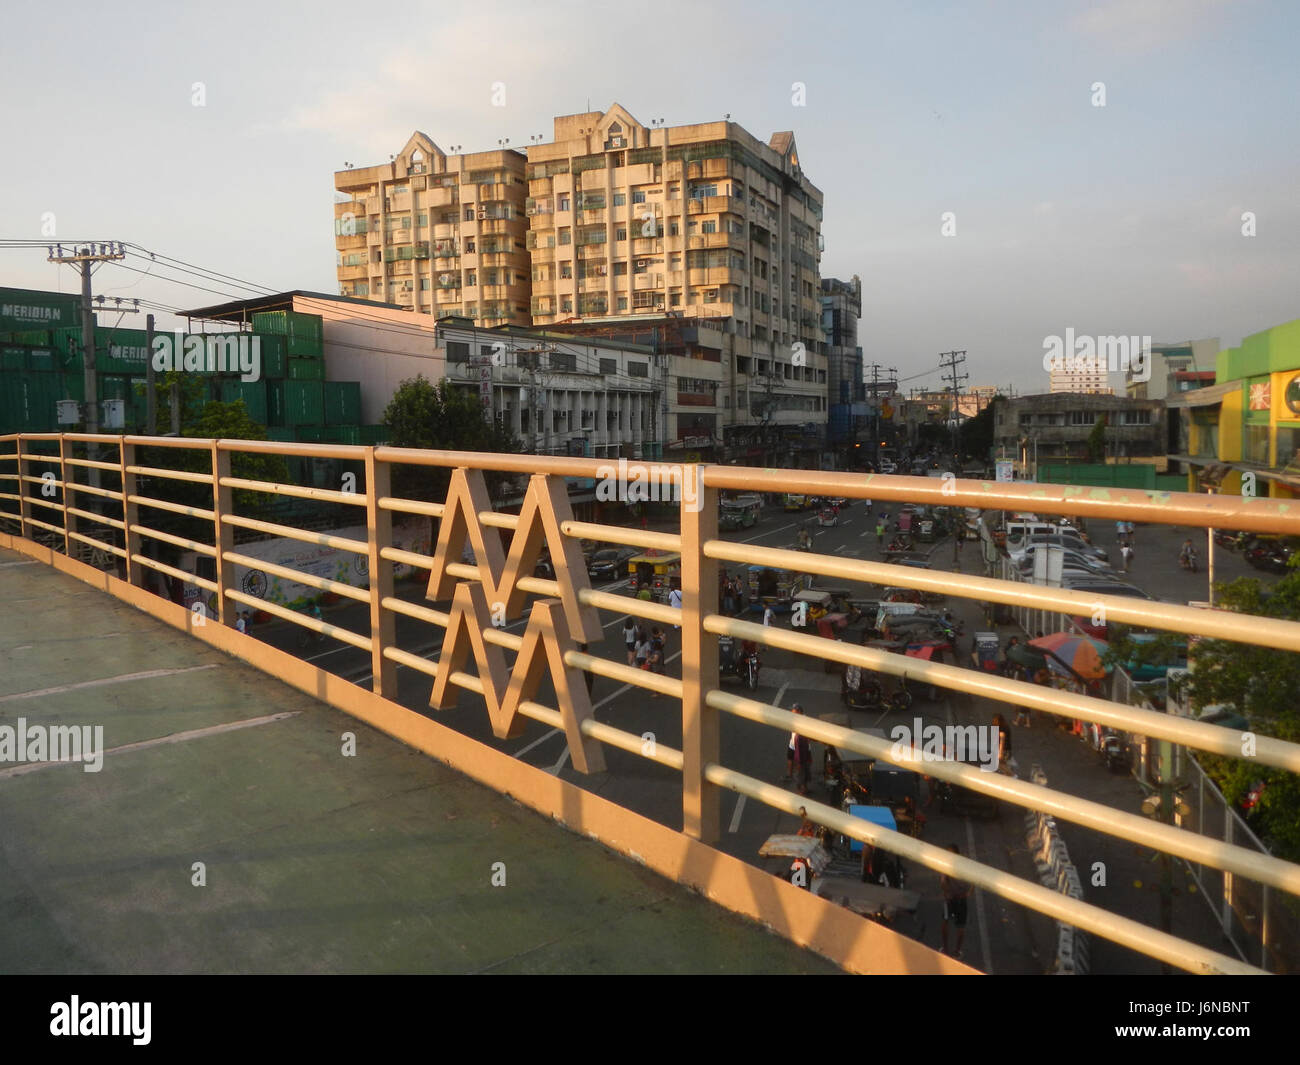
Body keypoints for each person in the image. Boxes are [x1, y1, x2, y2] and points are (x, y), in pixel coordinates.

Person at [941, 844, 974, 959]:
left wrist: (946, 893)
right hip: (961, 899)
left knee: (946, 921)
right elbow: (973, 879)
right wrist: (969, 892)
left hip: (950, 899)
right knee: (960, 926)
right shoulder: (965, 865)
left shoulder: (946, 865)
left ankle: (945, 948)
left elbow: (943, 882)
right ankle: (957, 951)